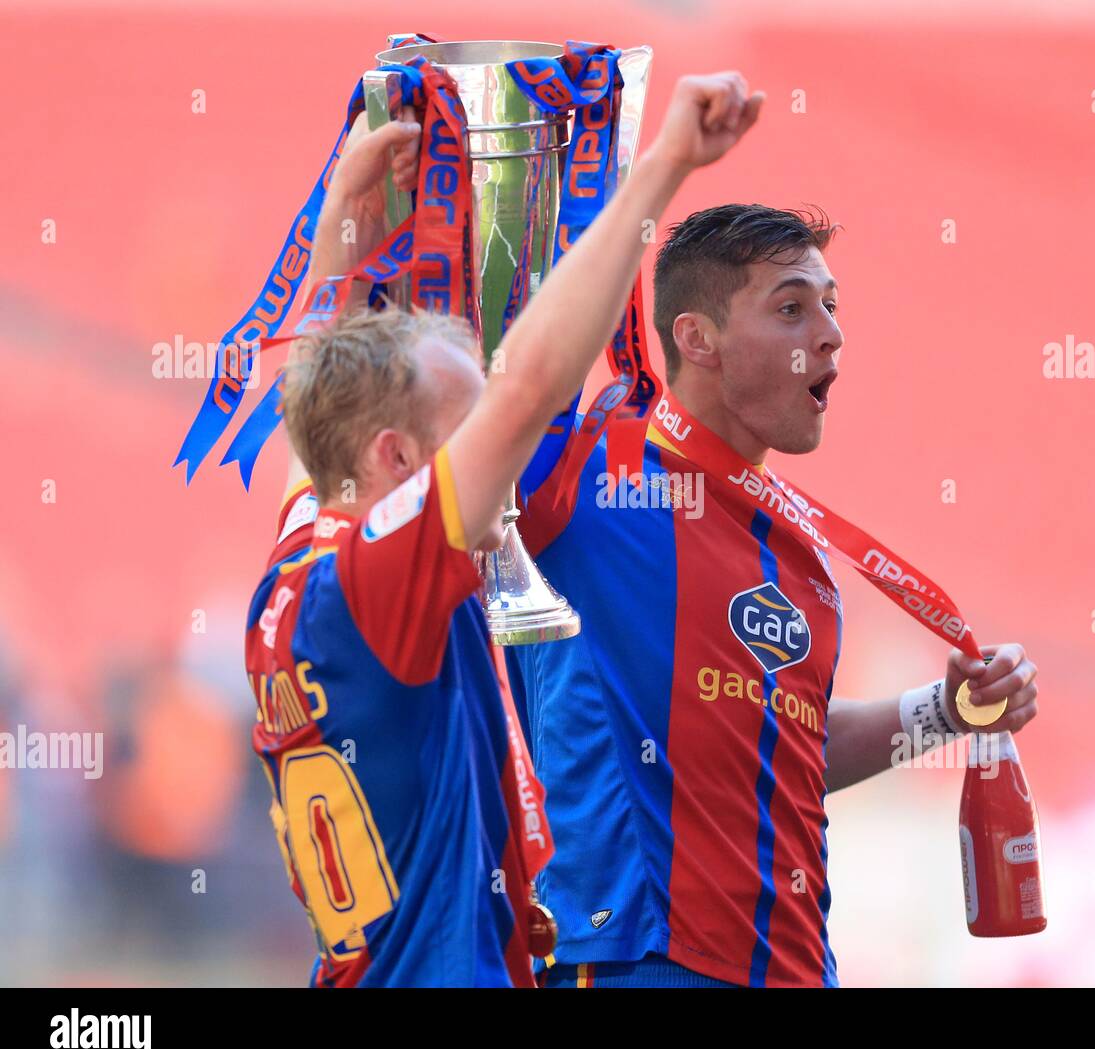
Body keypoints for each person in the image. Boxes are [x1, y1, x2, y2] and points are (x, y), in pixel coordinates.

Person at [244, 72, 764, 987]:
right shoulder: (372, 583)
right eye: (472, 435)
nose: (503, 454)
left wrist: (343, 236)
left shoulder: (296, 565)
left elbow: (306, 419)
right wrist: (663, 168)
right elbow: (529, 389)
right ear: (402, 462)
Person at [506, 203, 1041, 988]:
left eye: (831, 307)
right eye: (792, 308)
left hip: (795, 970)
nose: (829, 334)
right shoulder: (589, 478)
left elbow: (793, 751)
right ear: (697, 338)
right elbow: (501, 375)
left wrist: (948, 712)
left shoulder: (801, 557)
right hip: (633, 960)